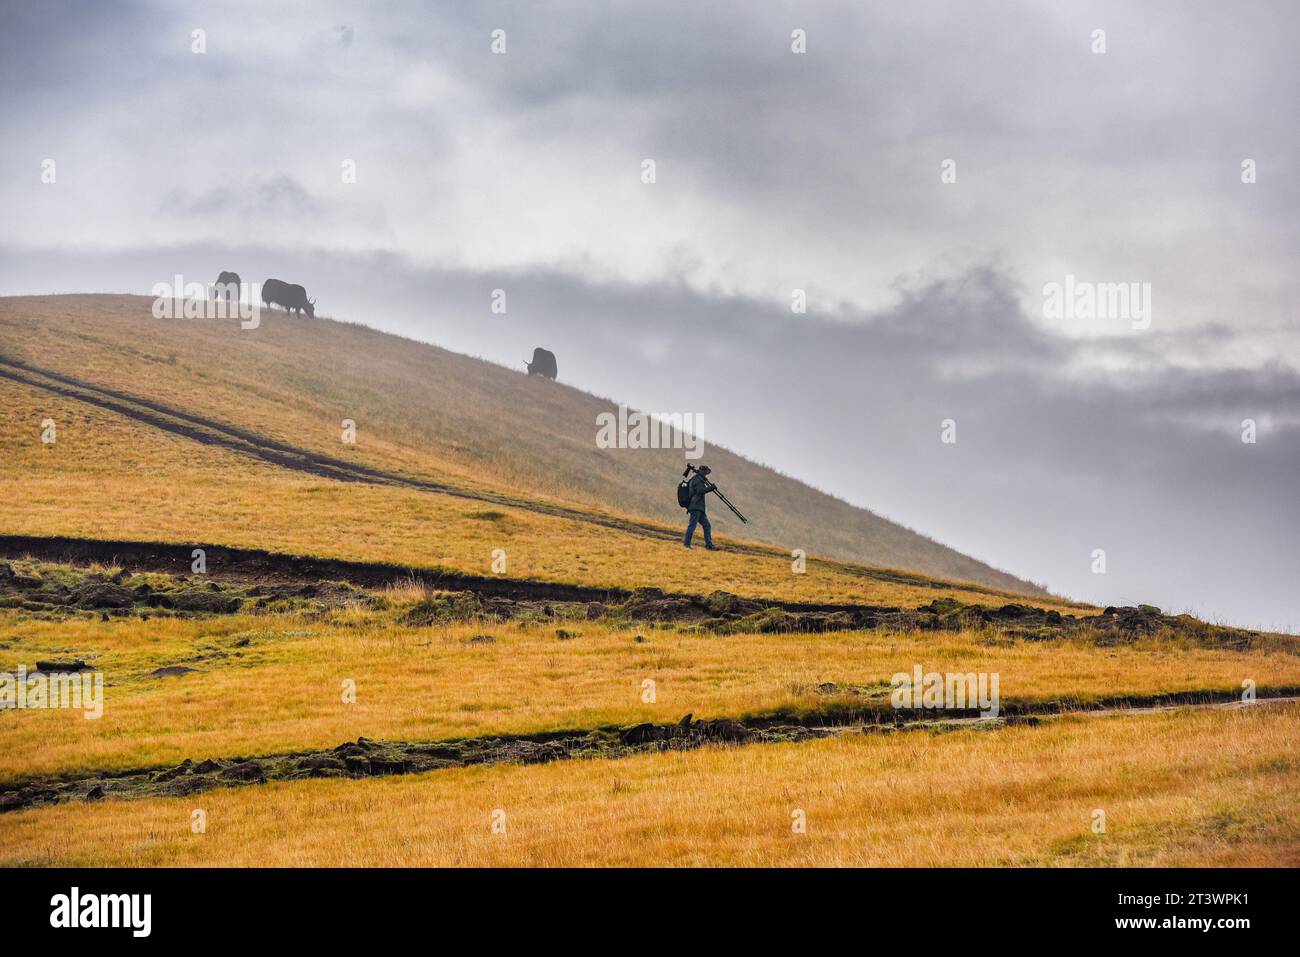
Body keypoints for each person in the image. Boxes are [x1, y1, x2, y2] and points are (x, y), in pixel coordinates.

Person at [683, 465, 719, 550]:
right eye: (706, 473)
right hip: (695, 507)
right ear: (703, 471)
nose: (706, 474)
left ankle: (709, 545)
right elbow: (700, 491)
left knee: (707, 525)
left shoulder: (698, 479)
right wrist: (711, 488)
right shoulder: (697, 480)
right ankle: (686, 544)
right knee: (692, 526)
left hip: (699, 507)